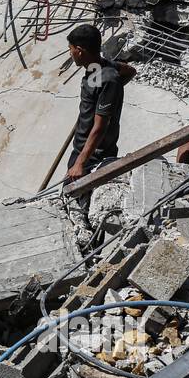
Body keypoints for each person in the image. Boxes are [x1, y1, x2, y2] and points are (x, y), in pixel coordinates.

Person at [62, 24, 135, 235]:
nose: (71, 54)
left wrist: (80, 163)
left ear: (80, 50)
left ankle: (87, 244)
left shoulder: (107, 79)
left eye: (71, 49)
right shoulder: (97, 68)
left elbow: (100, 127)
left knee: (77, 209)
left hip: (93, 155)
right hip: (82, 147)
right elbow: (130, 70)